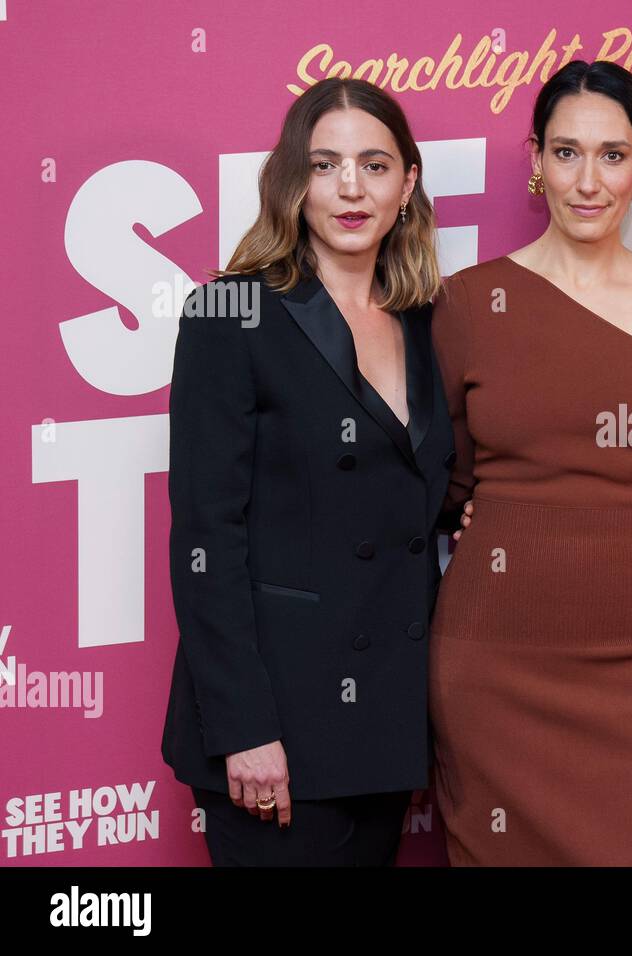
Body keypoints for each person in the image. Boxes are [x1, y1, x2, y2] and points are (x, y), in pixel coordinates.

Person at [428, 60, 632, 865]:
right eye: (566, 153)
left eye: (613, 155)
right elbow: (434, 486)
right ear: (535, 159)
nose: (588, 181)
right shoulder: (464, 305)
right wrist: (468, 510)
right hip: (494, 665)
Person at [161, 77, 454, 866]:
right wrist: (245, 730)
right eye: (325, 166)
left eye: (374, 164)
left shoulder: (431, 320)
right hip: (276, 728)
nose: (351, 188)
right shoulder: (231, 314)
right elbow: (205, 538)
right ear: (293, 181)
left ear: (408, 183)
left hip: (384, 726)